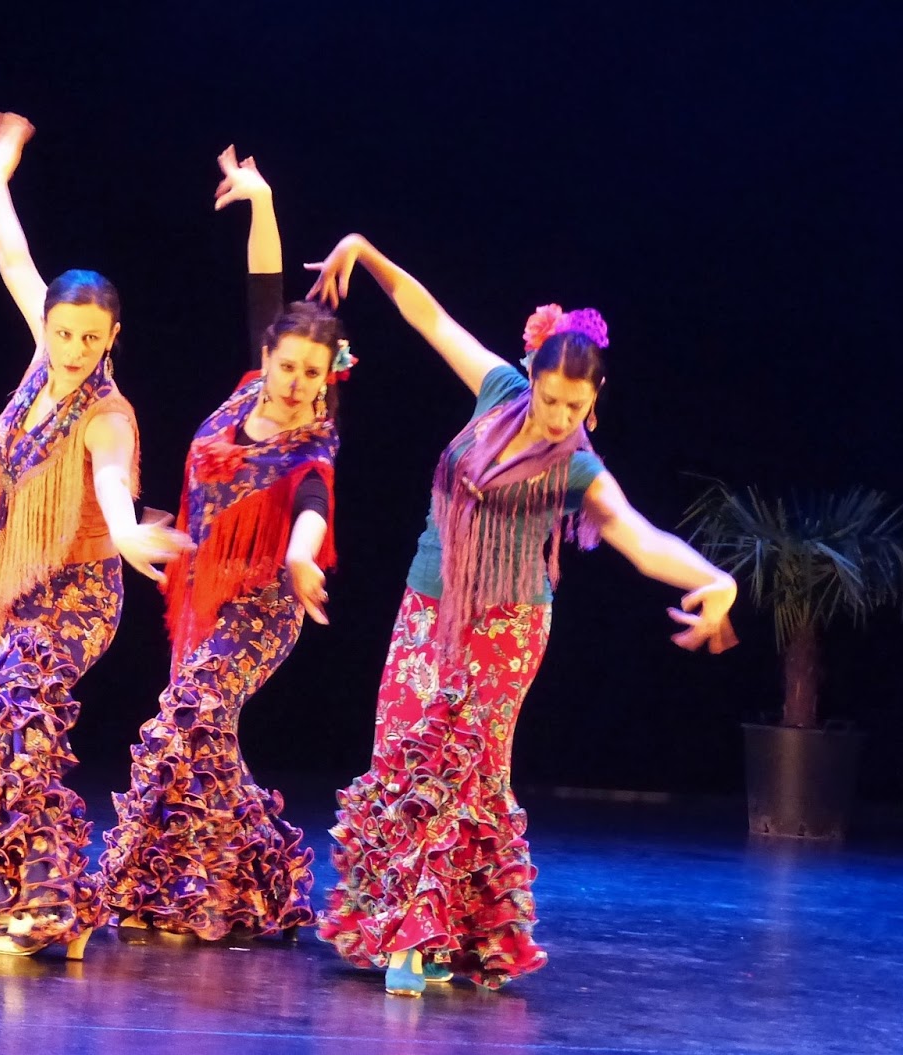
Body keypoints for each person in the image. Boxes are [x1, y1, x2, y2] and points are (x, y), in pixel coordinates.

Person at [306, 232, 738, 995]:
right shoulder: (500, 391)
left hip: (505, 631)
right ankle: (418, 927)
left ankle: (424, 939)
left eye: (577, 404)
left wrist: (715, 577)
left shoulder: (578, 466)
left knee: (458, 771)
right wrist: (365, 253)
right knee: (403, 758)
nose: (559, 414)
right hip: (425, 608)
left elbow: (640, 540)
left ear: (594, 402)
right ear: (531, 380)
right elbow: (428, 316)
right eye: (551, 398)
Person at [0, 113, 192, 963]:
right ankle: (51, 899)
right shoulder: (39, 360)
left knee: (5, 721)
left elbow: (114, 496)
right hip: (9, 588)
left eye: (90, 339)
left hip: (78, 596)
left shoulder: (108, 416)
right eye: (63, 333)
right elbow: (15, 256)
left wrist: (137, 540)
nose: (71, 348)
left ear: (112, 339)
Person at [99, 148, 351, 940]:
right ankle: (237, 878)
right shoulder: (248, 387)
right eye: (287, 365)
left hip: (260, 606)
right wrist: (262, 201)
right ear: (269, 358)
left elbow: (312, 507)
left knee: (194, 714)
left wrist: (304, 554)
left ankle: (211, 886)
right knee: (202, 731)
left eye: (311, 373)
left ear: (326, 377)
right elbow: (265, 288)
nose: (295, 381)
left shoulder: (314, 445)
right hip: (196, 595)